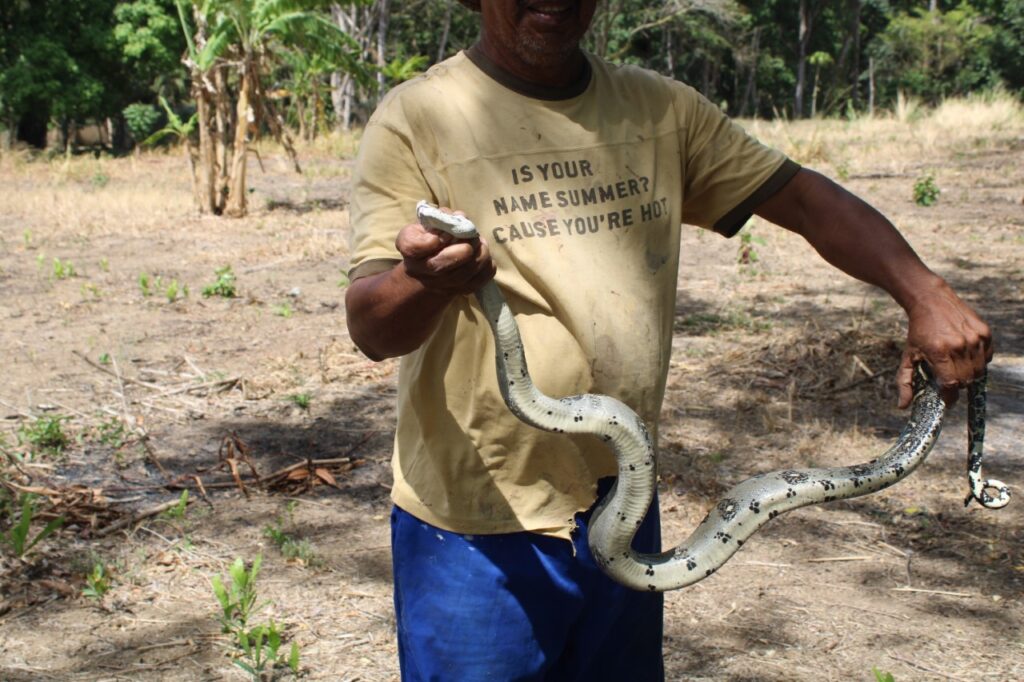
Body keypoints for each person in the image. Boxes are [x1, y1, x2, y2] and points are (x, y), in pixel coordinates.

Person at [344, 0, 993, 679]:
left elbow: (803, 200)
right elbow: (371, 327)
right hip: (475, 524)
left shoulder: (659, 111)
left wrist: (925, 292)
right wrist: (430, 281)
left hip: (621, 495)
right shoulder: (417, 117)